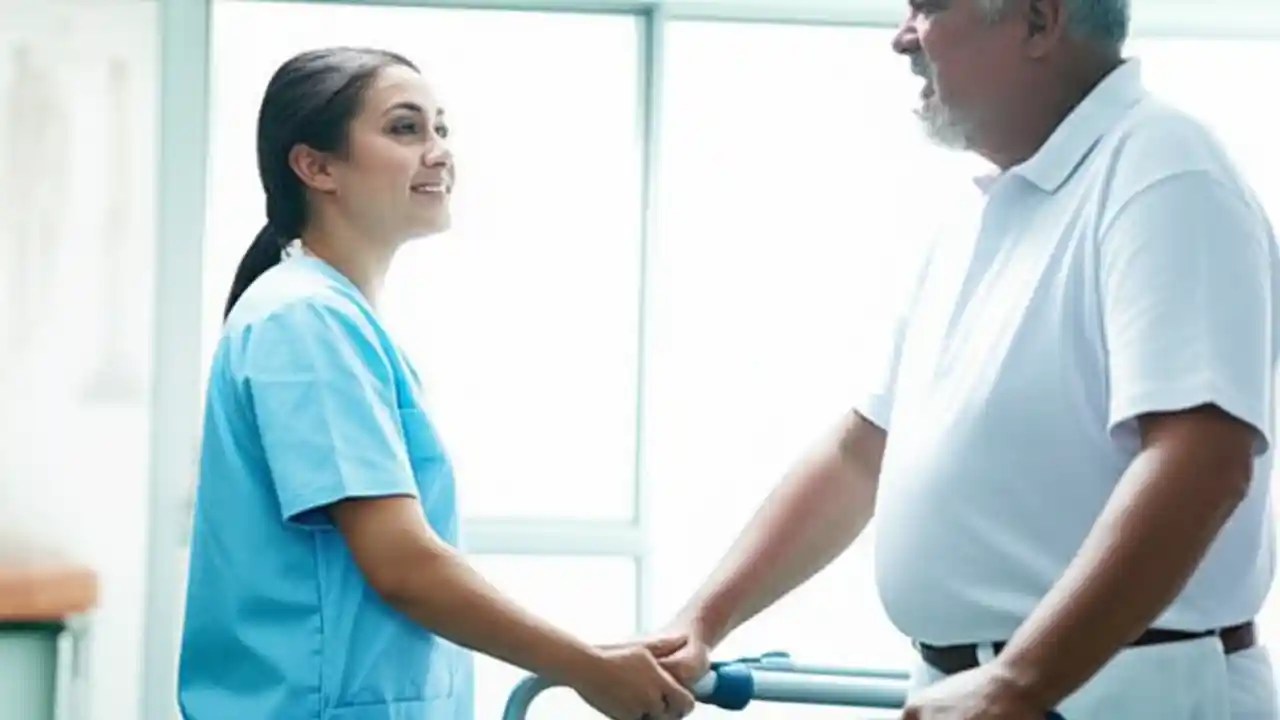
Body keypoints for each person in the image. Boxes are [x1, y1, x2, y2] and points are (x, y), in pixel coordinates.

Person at [651, 1, 1280, 718]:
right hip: (990, 691)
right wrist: (700, 620)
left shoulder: (1165, 170)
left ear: (1041, 23)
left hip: (1117, 690)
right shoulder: (982, 215)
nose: (901, 38)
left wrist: (1019, 683)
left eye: (930, 7)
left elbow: (1203, 462)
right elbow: (864, 452)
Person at [176, 47, 695, 720]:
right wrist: (585, 667)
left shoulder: (327, 315)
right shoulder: (305, 321)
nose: (440, 151)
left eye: (441, 128)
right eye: (404, 128)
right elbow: (402, 565)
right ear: (315, 166)